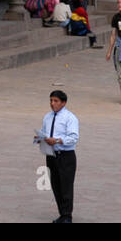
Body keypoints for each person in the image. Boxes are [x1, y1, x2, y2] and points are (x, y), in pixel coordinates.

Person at [35, 89, 78, 223]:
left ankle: (67, 216)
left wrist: (58, 140)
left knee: (66, 186)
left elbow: (74, 137)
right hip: (51, 156)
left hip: (65, 156)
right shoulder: (47, 117)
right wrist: (39, 137)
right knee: (56, 185)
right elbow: (44, 131)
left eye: (56, 101)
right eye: (51, 100)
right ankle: (62, 213)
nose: (52, 103)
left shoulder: (70, 118)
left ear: (63, 103)